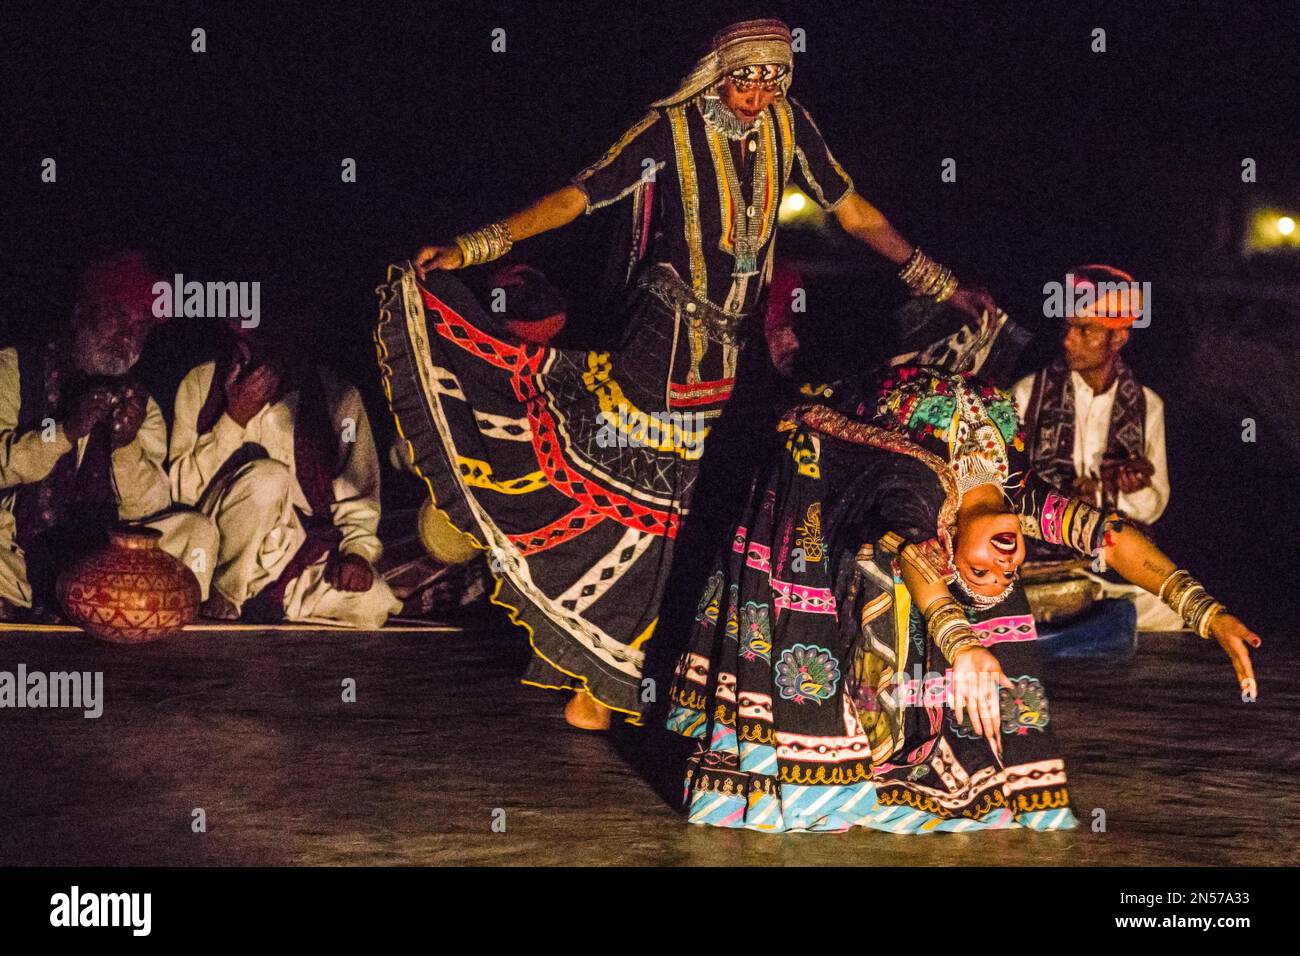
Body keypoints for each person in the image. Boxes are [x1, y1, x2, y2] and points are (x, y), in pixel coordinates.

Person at [382, 17, 999, 729]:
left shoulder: (789, 126)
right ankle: (598, 680)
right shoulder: (667, 131)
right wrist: (473, 245)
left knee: (707, 519)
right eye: (746, 78)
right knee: (638, 512)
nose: (758, 93)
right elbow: (578, 196)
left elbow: (852, 209)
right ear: (717, 71)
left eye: (773, 80)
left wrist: (941, 282)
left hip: (735, 360)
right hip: (661, 348)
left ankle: (629, 684)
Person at [667, 358, 1261, 833]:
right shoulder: (963, 489)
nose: (1005, 570)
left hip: (859, 487)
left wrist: (1208, 614)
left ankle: (880, 744)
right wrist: (963, 642)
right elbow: (926, 555)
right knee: (848, 578)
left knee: (894, 576)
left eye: (988, 573)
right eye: (1001, 570)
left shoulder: (965, 494)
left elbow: (1105, 538)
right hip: (812, 461)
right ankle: (818, 752)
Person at [0, 250, 216, 619]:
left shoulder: (138, 402)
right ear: (81, 315)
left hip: (104, 563)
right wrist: (64, 432)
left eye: (141, 327)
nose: (127, 335)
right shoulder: (15, 367)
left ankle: (168, 628)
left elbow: (149, 508)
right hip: (19, 554)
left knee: (196, 530)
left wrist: (125, 448)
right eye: (117, 317)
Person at [169, 314, 400, 629]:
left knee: (374, 604)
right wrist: (234, 419)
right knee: (269, 478)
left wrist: (357, 553)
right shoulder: (201, 383)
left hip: (293, 555)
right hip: (217, 552)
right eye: (254, 336)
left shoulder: (338, 397)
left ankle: (267, 601)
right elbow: (184, 492)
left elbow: (358, 494)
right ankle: (225, 593)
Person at [1013, 265, 1179, 639]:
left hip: (1112, 563)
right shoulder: (1027, 394)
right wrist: (1064, 500)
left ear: (1118, 337)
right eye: (1068, 327)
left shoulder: (1147, 405)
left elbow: (1157, 502)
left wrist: (1127, 491)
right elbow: (1003, 483)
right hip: (1041, 560)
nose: (1068, 340)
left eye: (1084, 329)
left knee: (1166, 610)